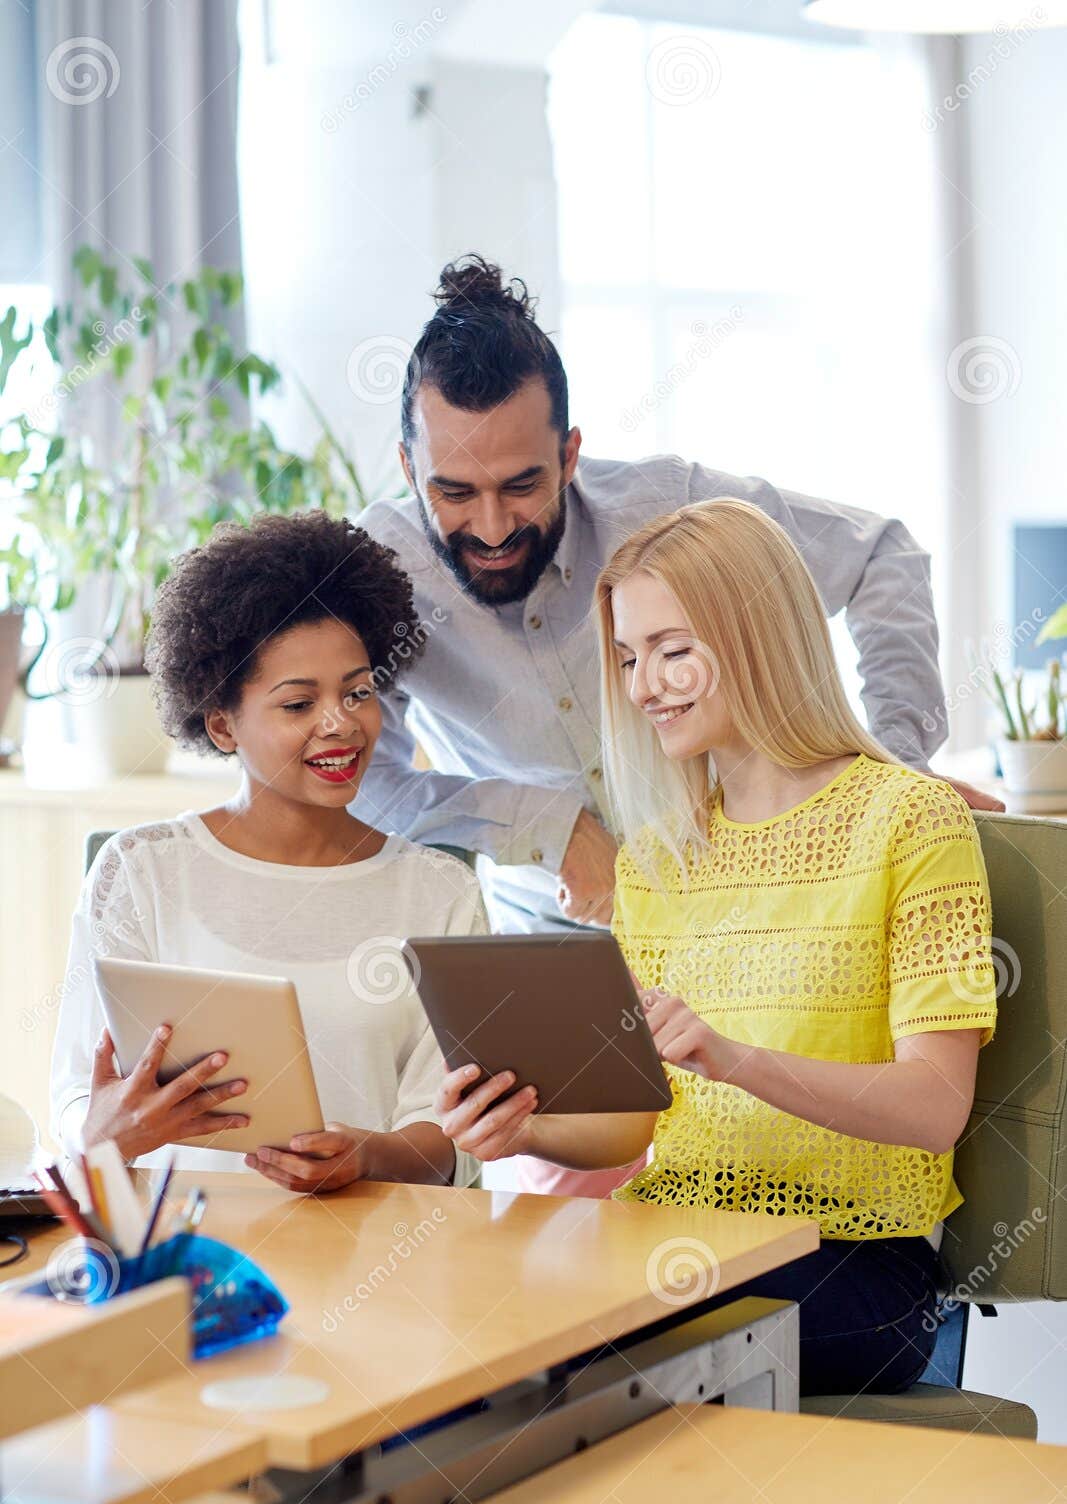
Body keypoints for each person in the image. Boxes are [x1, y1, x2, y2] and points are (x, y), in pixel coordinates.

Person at [354, 253, 1002, 1200]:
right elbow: (360, 772)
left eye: (523, 486)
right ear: (409, 468)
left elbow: (882, 556)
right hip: (569, 948)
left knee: (734, 1197)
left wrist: (883, 777)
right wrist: (541, 826)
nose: (491, 525)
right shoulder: (377, 573)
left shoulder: (674, 510)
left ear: (570, 455)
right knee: (549, 1256)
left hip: (773, 948)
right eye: (453, 493)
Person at [432, 499, 998, 1395]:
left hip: (855, 1265)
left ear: (758, 635)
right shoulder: (656, 860)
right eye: (626, 657)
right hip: (676, 1232)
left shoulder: (910, 821)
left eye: (671, 648)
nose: (643, 684)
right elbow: (631, 1121)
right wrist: (517, 1128)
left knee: (565, 1346)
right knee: (465, 1306)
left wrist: (732, 1059)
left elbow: (934, 1107)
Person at [50, 511, 485, 1193]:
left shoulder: (437, 892)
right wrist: (106, 1133)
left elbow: (455, 1145)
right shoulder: (141, 872)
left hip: (376, 1263)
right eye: (298, 704)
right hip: (182, 1260)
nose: (340, 723)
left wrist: (367, 1156)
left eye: (357, 692)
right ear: (223, 725)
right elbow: (78, 1099)